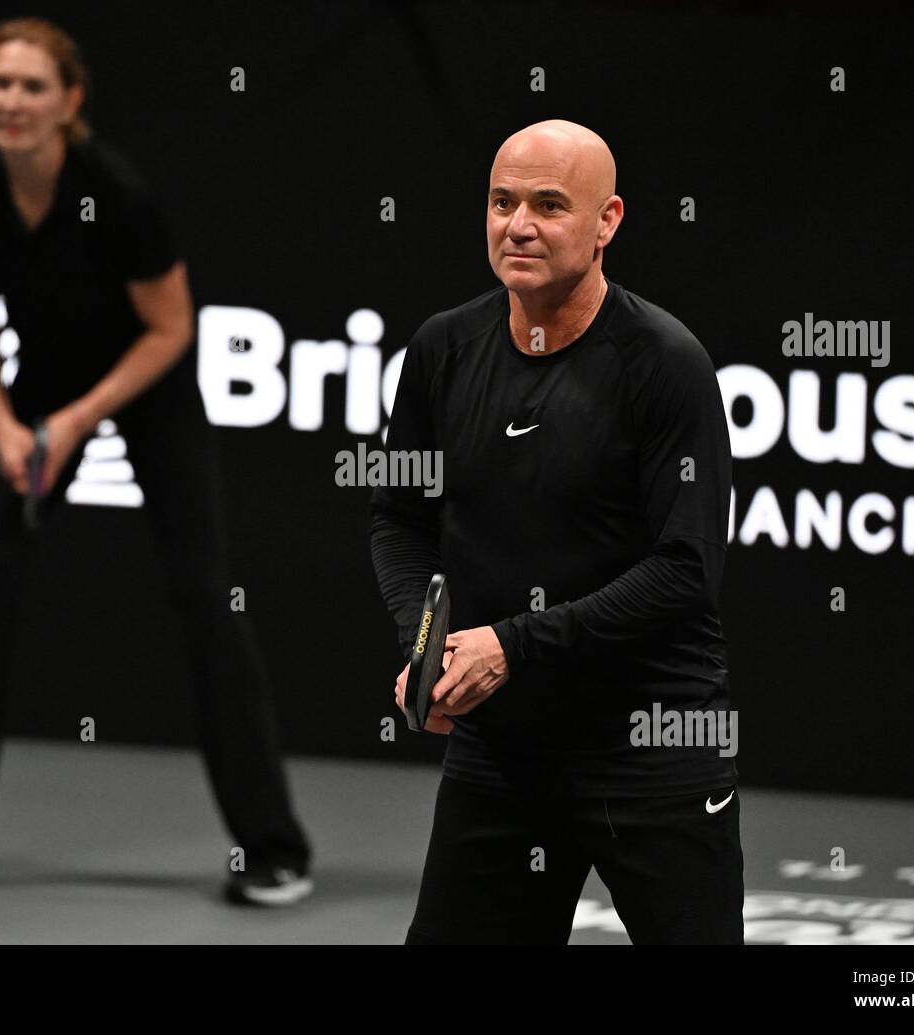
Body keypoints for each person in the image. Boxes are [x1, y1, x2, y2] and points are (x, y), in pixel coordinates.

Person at [0, 17, 312, 906]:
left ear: (70, 102)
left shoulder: (117, 193)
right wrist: (1, 420)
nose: (13, 102)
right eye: (0, 84)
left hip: (148, 389)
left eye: (33, 87)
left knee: (203, 597)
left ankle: (273, 849)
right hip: (37, 392)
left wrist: (70, 422)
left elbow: (171, 329)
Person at [370, 119, 743, 943]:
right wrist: (426, 646)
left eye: (548, 204)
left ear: (607, 221)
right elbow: (400, 518)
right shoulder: (441, 350)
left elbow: (685, 569)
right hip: (503, 748)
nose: (518, 225)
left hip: (651, 743)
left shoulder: (665, 364)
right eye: (502, 202)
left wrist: (512, 643)